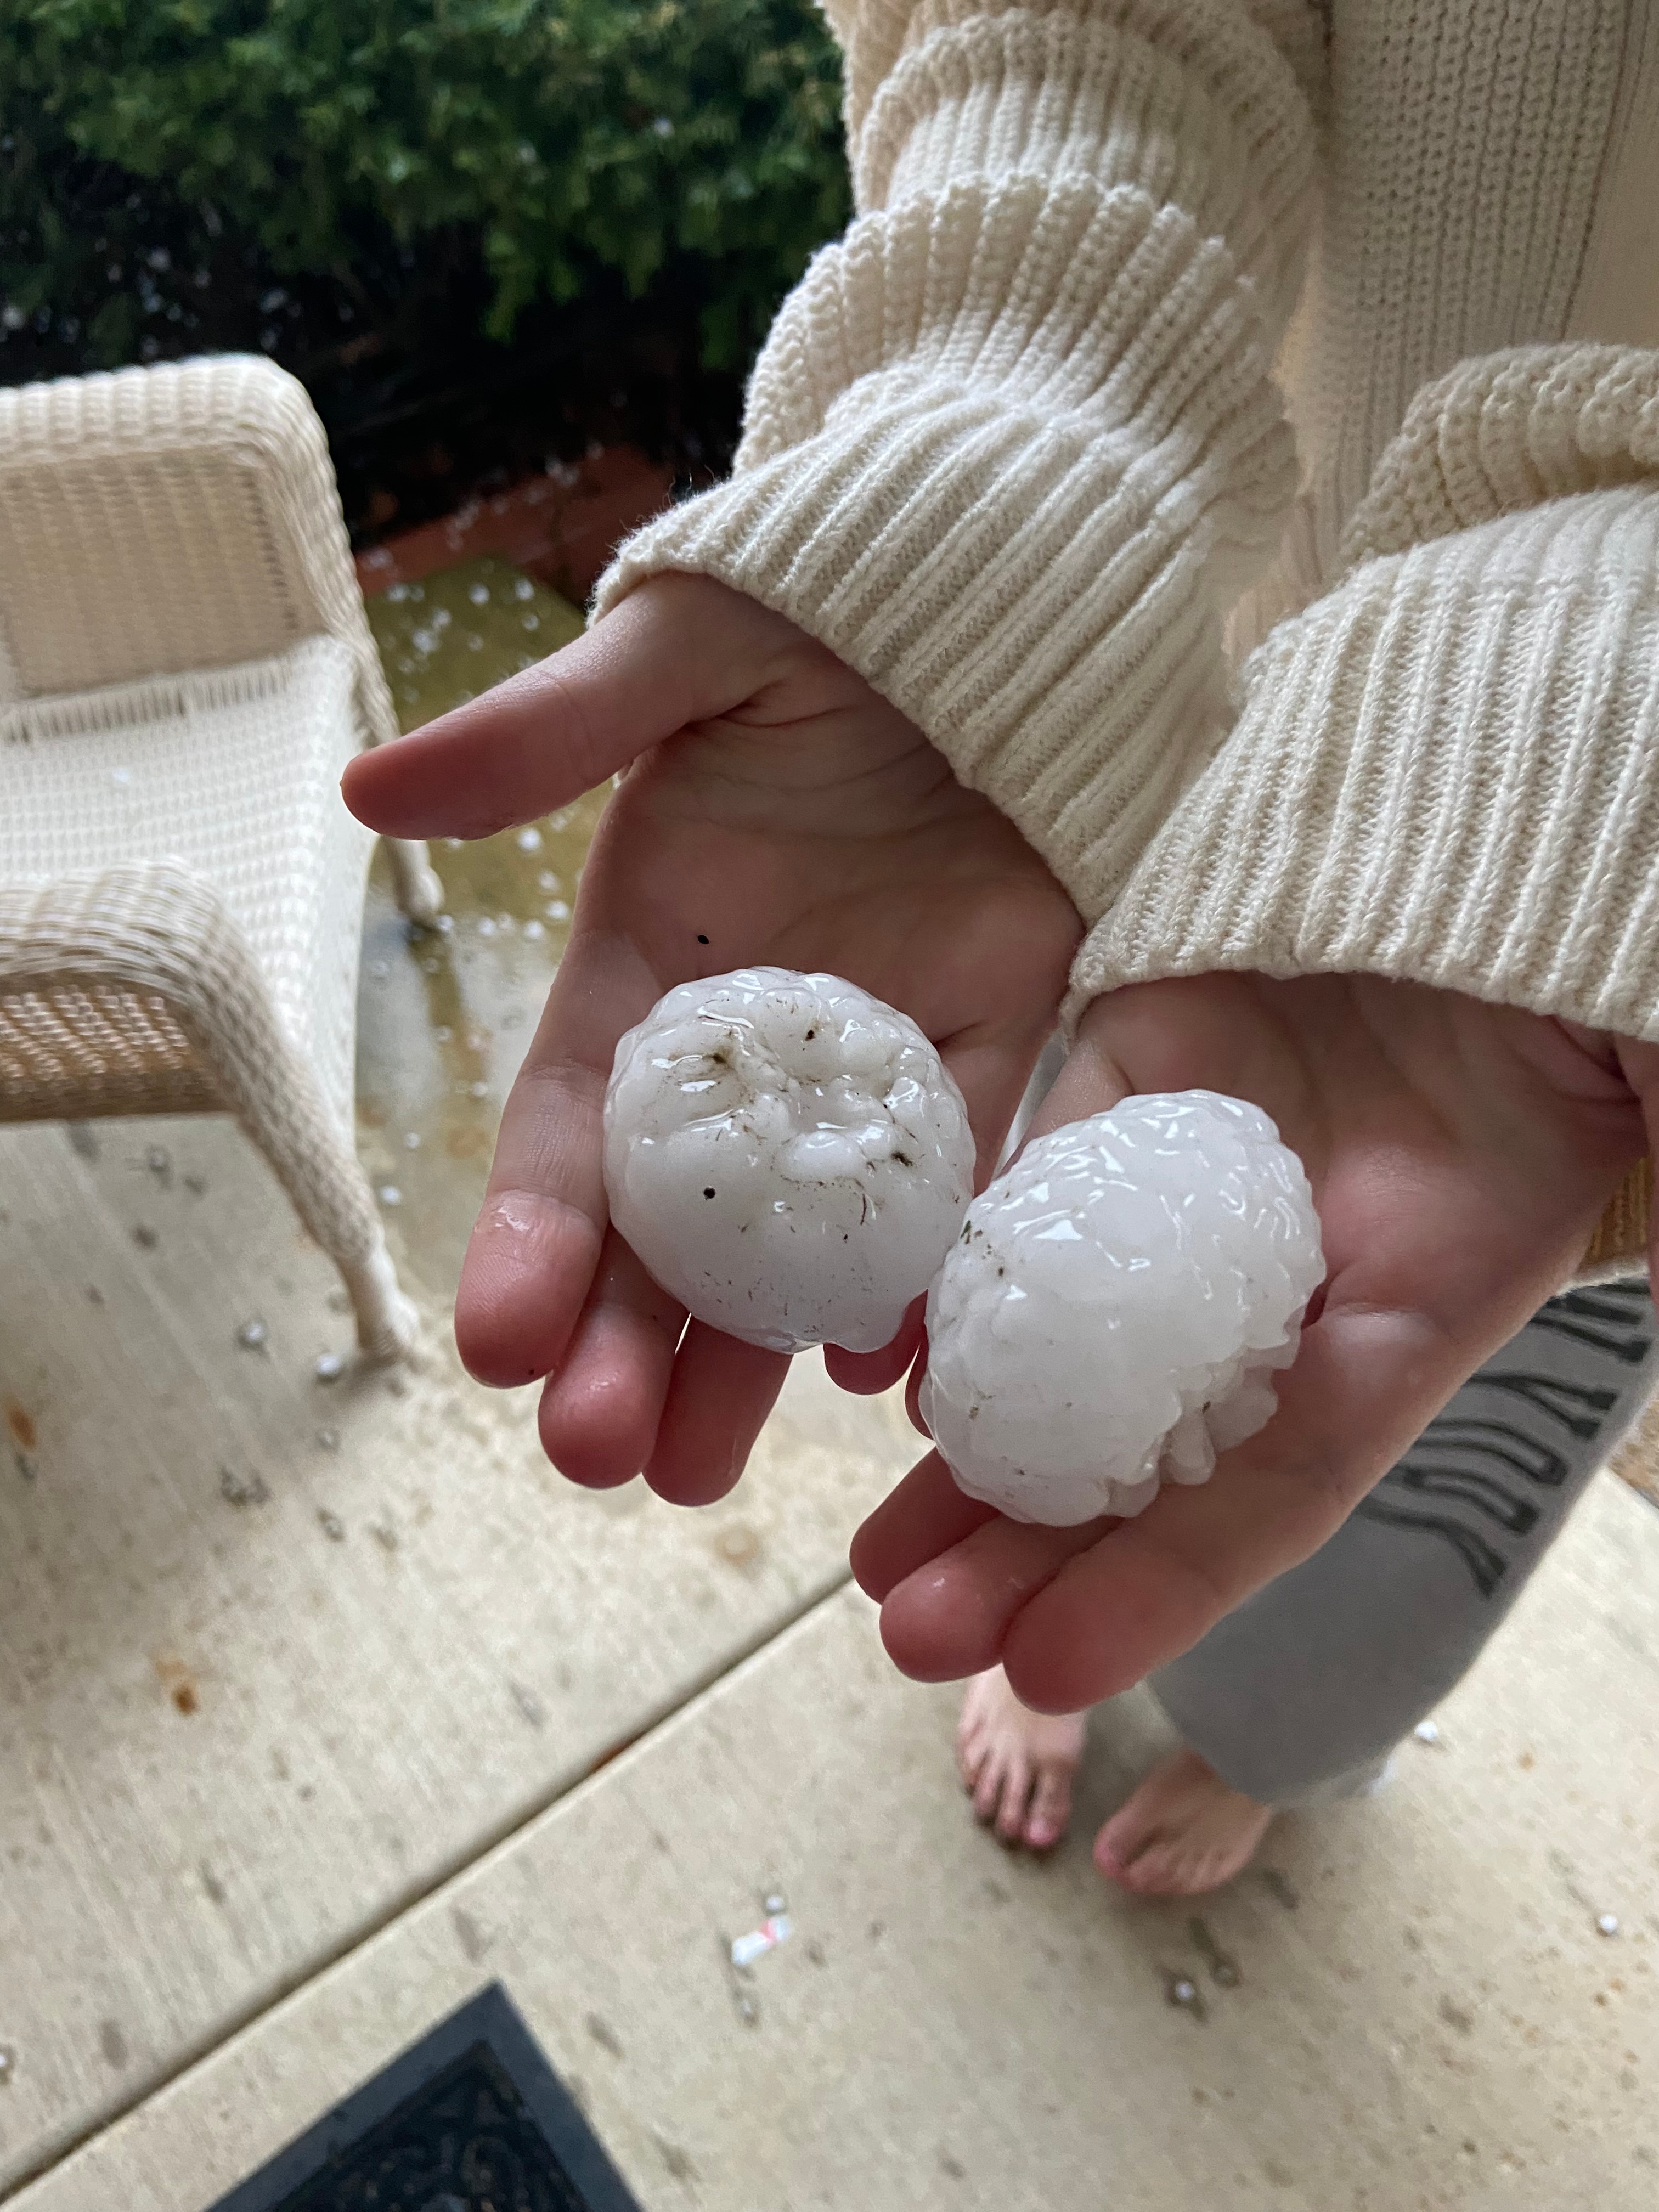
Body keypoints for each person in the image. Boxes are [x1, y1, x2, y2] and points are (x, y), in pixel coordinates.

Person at [346, 0, 1659, 1894]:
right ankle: (1145, 1669)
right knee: (1061, 1116)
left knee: (1405, 1464)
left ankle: (1277, 1748)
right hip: (1177, 794)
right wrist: (1034, 422)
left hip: (1598, 996)